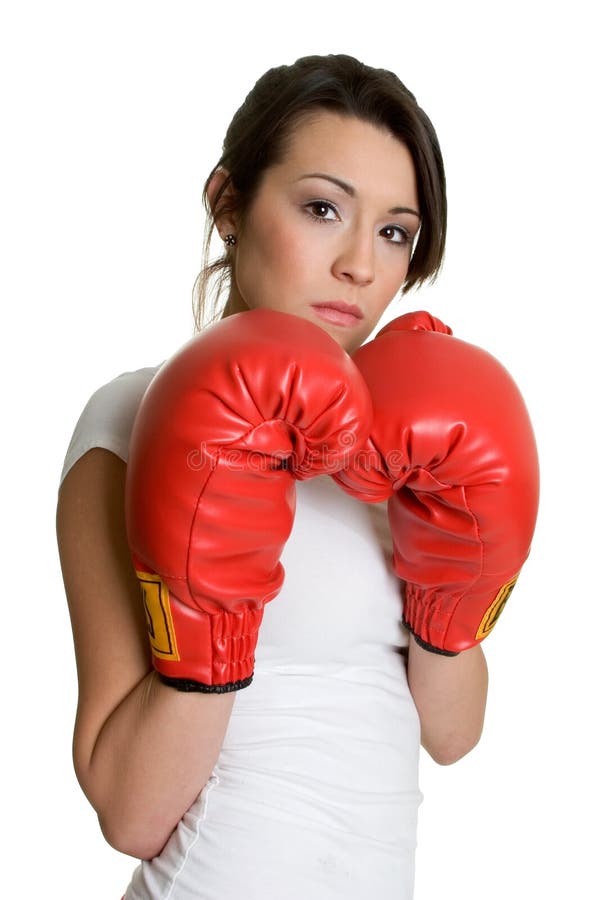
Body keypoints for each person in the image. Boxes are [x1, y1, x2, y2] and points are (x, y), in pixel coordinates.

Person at [56, 53, 539, 900]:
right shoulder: (127, 423)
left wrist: (455, 593)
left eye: (395, 230)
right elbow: (129, 816)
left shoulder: (412, 443)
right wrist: (213, 625)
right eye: (323, 208)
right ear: (230, 203)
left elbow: (452, 734)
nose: (361, 263)